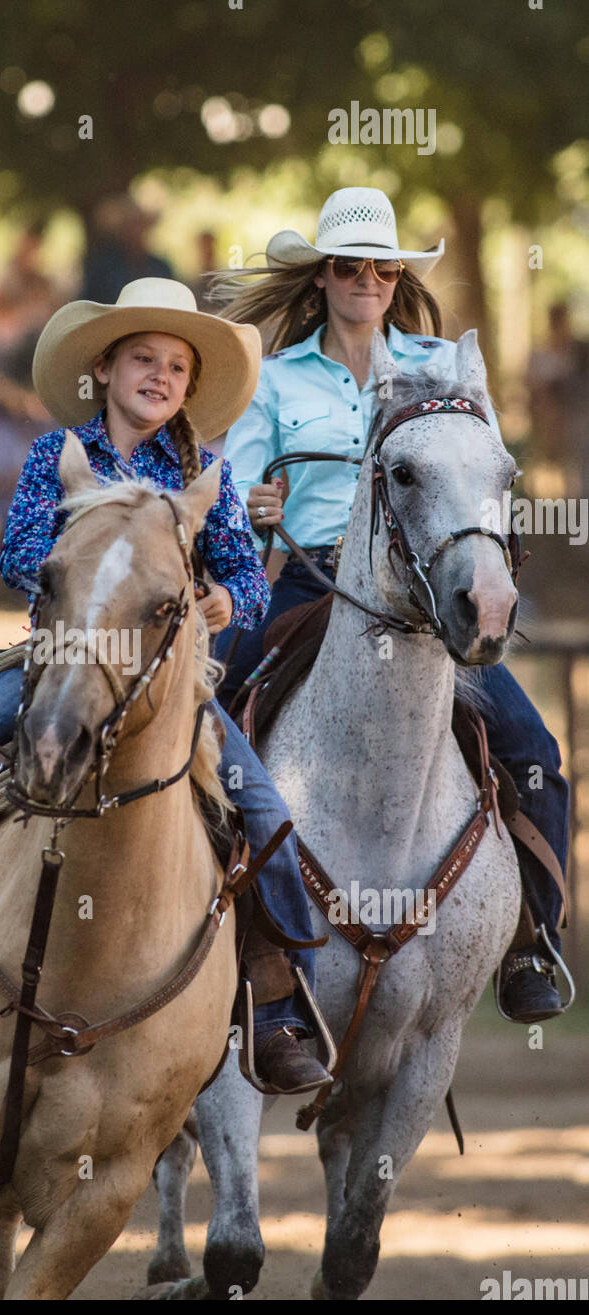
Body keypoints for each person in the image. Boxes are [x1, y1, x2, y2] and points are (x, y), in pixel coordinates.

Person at [0, 277, 332, 1094]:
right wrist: (78, 564)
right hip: (55, 660)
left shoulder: (207, 476)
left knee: (261, 810)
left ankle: (276, 996)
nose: (159, 377)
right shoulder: (59, 456)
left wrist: (231, 596)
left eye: (177, 368)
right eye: (143, 360)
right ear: (107, 372)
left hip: (161, 684)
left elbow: (244, 579)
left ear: (189, 387)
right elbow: (17, 558)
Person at [213, 187, 570, 1023]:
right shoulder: (273, 379)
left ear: (398, 275)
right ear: (321, 280)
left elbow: (486, 472)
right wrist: (255, 506)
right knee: (211, 717)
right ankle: (218, 941)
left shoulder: (444, 365)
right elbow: (231, 493)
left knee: (531, 746)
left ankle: (532, 943)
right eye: (349, 266)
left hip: (425, 588)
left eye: (382, 266)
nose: (367, 278)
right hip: (311, 579)